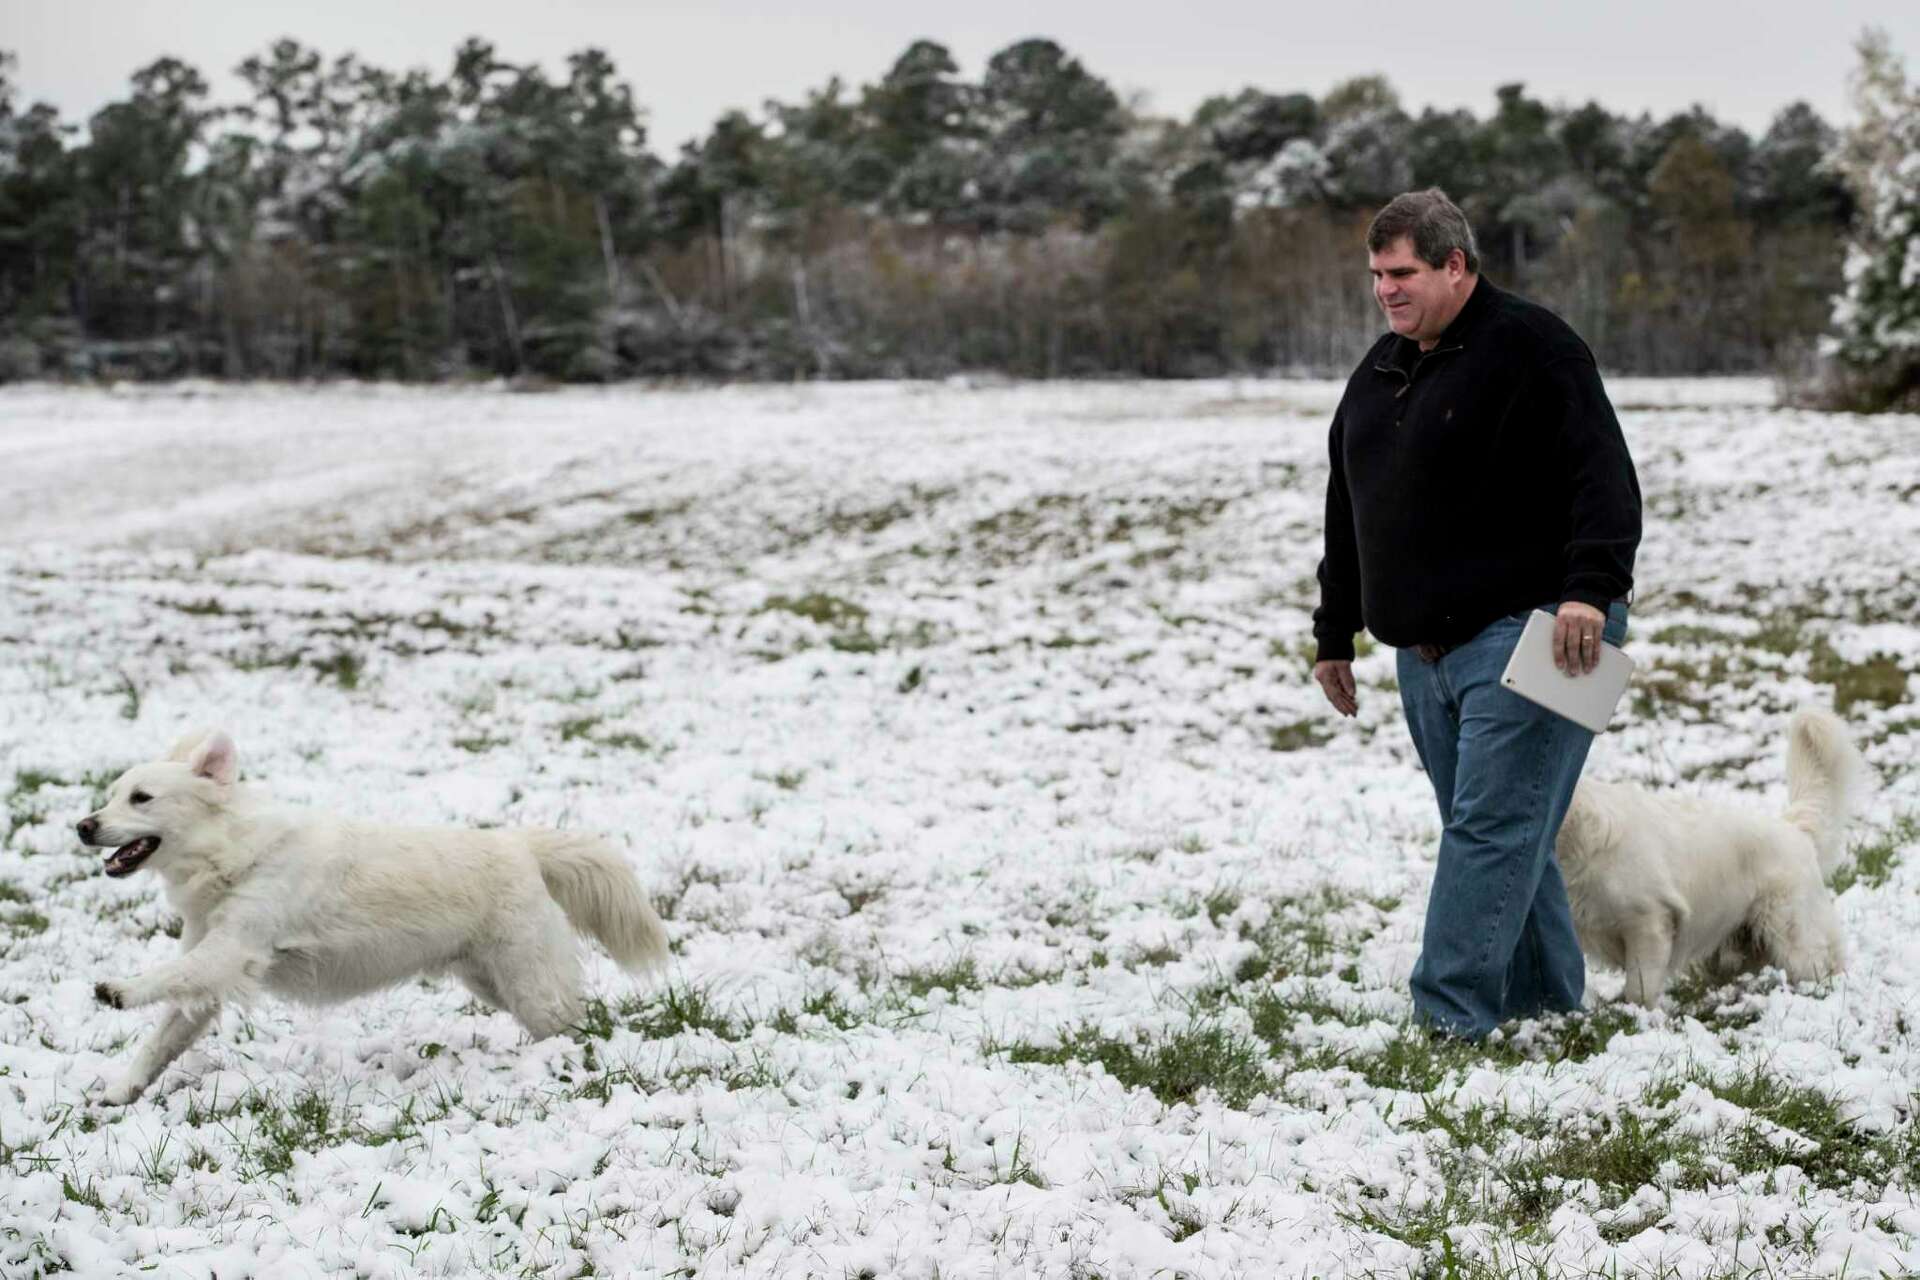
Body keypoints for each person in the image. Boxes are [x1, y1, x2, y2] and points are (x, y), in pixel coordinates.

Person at [1310, 188, 1642, 1040]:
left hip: (1544, 632)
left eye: (1404, 272)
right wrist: (1333, 631)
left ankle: (1447, 1018)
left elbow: (1604, 479)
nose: (1386, 289)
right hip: (1424, 653)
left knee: (1490, 831)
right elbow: (1350, 508)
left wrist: (1589, 592)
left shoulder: (1535, 349)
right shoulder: (1379, 368)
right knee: (1500, 832)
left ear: (1455, 265)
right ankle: (1545, 1005)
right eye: (1378, 274)